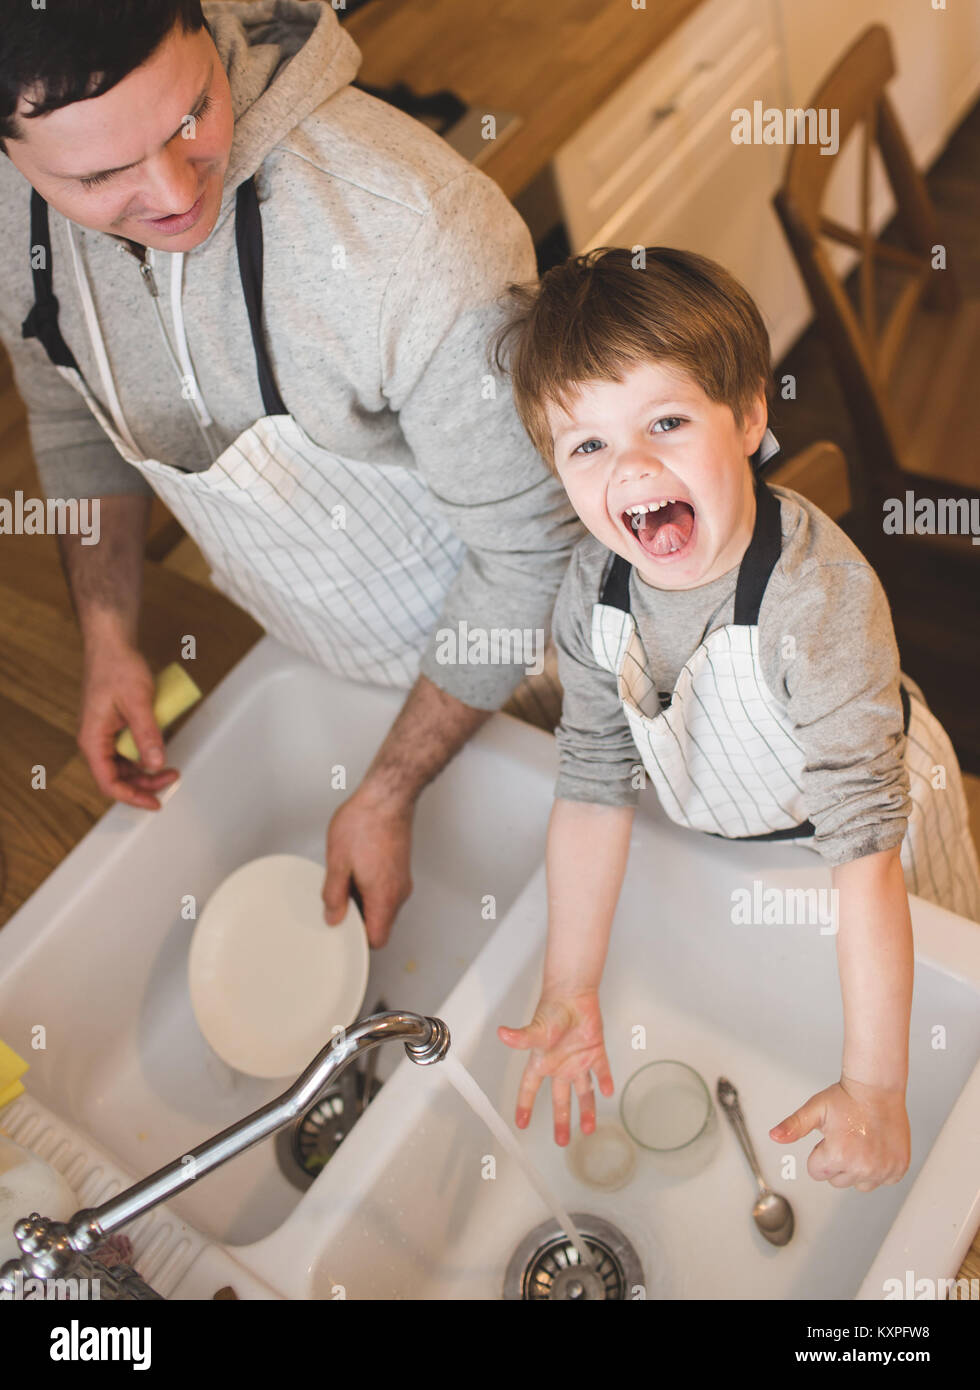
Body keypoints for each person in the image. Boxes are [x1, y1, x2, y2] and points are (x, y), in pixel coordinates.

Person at [0, 0, 581, 947]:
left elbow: (531, 551)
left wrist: (391, 788)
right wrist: (109, 639)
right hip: (322, 662)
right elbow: (72, 409)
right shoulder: (10, 222)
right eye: (101, 174)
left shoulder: (411, 233)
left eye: (191, 115)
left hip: (550, 670)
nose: (172, 190)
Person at [491, 245, 980, 1190]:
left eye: (665, 422)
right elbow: (594, 784)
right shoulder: (591, 591)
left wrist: (877, 1087)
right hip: (741, 829)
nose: (629, 466)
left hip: (872, 832)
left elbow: (864, 858)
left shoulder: (816, 605)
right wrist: (569, 984)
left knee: (946, 1004)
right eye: (586, 445)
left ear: (750, 416)